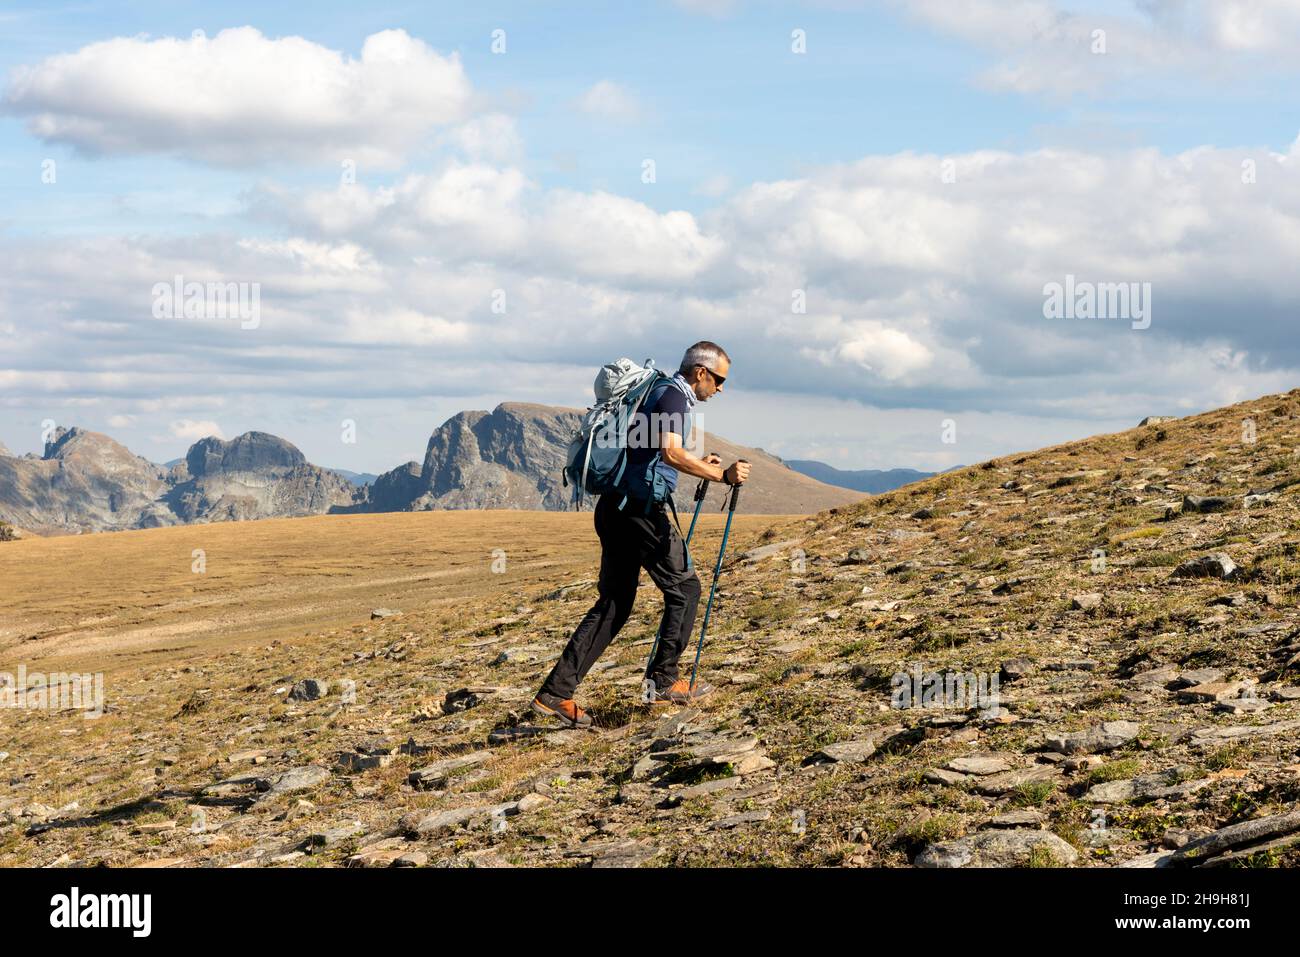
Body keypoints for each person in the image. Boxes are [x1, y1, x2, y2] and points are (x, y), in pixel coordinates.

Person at [532, 341, 751, 728]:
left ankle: (556, 693)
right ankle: (664, 680)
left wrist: (701, 462)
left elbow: (654, 451)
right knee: (685, 590)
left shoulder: (655, 391)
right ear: (700, 372)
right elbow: (669, 453)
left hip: (614, 508)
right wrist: (721, 474)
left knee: (614, 603)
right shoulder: (674, 397)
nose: (720, 389)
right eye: (718, 380)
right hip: (639, 511)